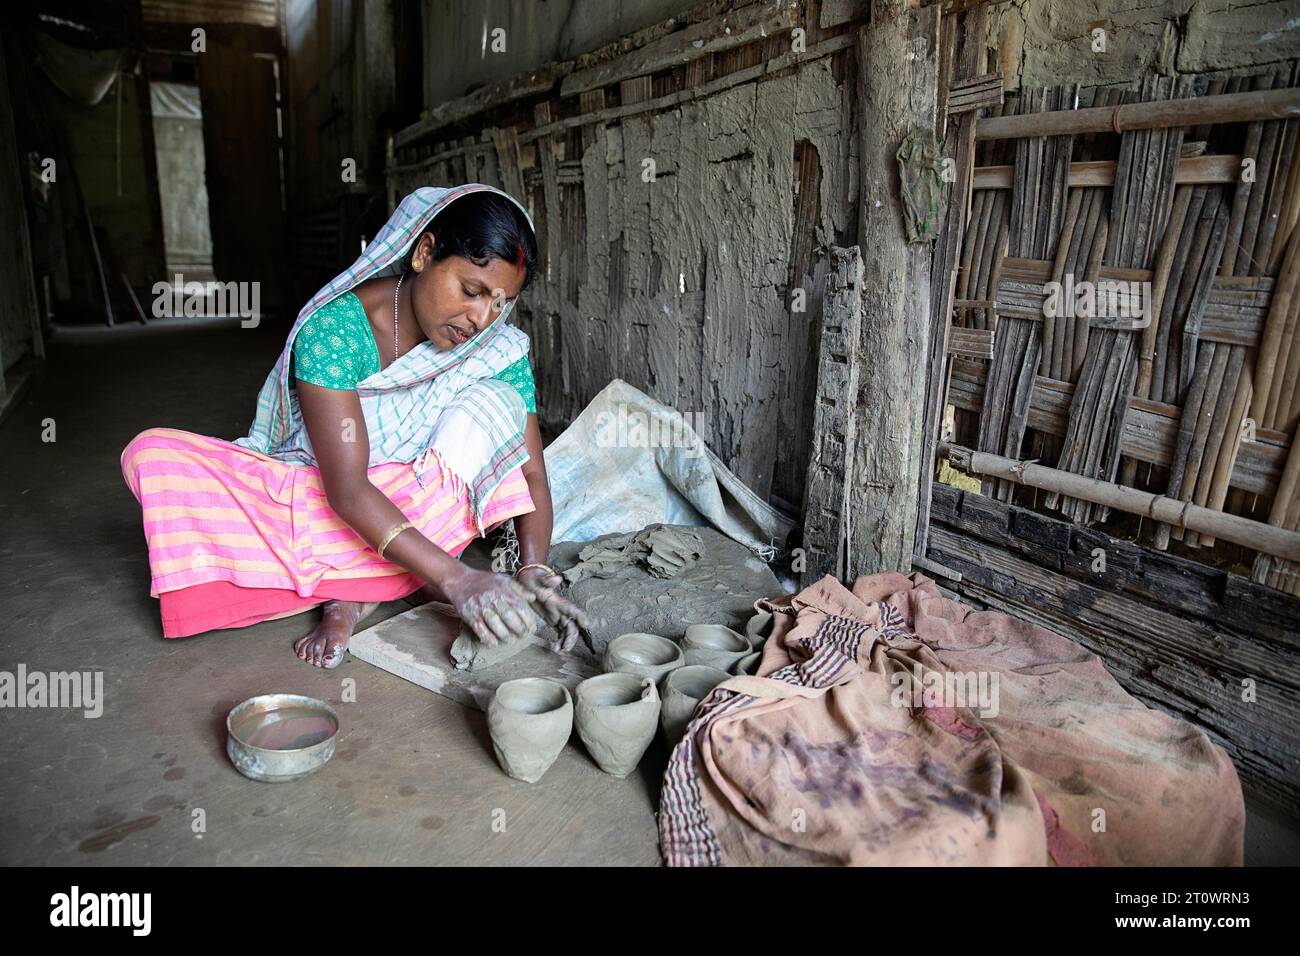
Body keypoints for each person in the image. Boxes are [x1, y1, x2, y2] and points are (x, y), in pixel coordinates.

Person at [121, 184, 586, 668]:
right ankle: (381, 582)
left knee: (496, 404)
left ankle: (356, 586)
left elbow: (530, 474)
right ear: (424, 253)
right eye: (471, 291)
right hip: (332, 496)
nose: (481, 317)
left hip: (417, 514)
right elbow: (345, 489)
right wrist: (457, 579)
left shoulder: (496, 349)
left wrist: (534, 566)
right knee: (156, 458)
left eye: (499, 302)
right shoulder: (336, 329)